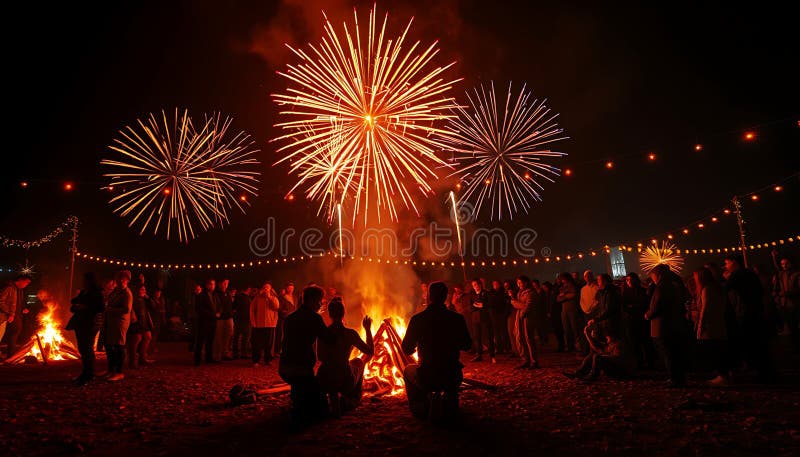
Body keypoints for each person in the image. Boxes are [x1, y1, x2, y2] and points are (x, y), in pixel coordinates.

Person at [402, 281, 472, 421]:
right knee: (449, 382)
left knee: (408, 370)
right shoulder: (456, 318)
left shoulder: (418, 319)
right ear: (446, 297)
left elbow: (406, 348)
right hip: (452, 374)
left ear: (428, 296)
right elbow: (467, 345)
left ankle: (420, 406)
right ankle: (450, 399)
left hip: (428, 374)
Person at [279, 285, 329, 426]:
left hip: (284, 367)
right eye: (319, 301)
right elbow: (328, 338)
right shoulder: (314, 318)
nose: (320, 304)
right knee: (320, 405)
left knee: (301, 389)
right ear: (312, 301)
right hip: (301, 369)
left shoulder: (290, 318)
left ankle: (298, 405)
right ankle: (299, 417)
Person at [317, 297, 374, 416]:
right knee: (359, 362)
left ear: (330, 314)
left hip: (324, 379)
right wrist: (368, 330)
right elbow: (370, 351)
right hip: (344, 380)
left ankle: (333, 398)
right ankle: (353, 399)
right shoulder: (350, 334)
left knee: (337, 367)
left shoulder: (323, 333)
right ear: (344, 314)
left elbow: (320, 357)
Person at [724, 254, 775, 383]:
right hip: (757, 311)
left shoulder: (736, 275)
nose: (726, 266)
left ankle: (759, 372)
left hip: (746, 312)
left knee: (749, 342)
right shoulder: (750, 274)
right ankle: (765, 371)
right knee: (759, 343)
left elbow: (724, 289)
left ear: (734, 263)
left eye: (727, 263)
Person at [645, 264, 690, 388]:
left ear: (658, 275)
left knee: (668, 354)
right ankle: (678, 377)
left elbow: (657, 306)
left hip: (662, 326)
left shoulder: (662, 287)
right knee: (673, 353)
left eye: (653, 276)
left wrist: (648, 314)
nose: (652, 279)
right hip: (672, 325)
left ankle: (675, 379)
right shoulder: (673, 285)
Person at [694, 267, 730, 385]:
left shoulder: (707, 289)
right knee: (718, 347)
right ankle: (724, 373)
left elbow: (705, 308)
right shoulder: (716, 288)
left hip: (710, 324)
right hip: (718, 322)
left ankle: (722, 374)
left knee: (714, 348)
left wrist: (700, 325)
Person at [67, 273, 105, 385]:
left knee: (87, 348)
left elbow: (100, 308)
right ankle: (85, 373)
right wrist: (78, 304)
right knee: (82, 348)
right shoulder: (85, 291)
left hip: (91, 323)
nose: (83, 282)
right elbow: (73, 302)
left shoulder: (97, 292)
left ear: (90, 280)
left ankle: (89, 374)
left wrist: (84, 306)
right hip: (80, 323)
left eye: (85, 280)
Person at [564, 322, 635, 381]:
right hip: (618, 368)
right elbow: (596, 348)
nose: (606, 338)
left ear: (613, 336)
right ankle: (578, 373)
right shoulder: (611, 343)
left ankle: (592, 376)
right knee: (593, 355)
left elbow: (618, 360)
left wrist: (604, 356)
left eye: (607, 336)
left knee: (597, 357)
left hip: (623, 372)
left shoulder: (619, 344)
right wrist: (588, 335)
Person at [622, 273, 655, 369]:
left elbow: (644, 305)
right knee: (634, 343)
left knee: (646, 342)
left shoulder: (643, 291)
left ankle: (650, 362)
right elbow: (624, 307)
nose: (629, 282)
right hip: (631, 322)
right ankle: (638, 362)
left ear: (636, 280)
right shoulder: (625, 293)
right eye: (627, 280)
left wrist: (633, 306)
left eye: (631, 280)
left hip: (642, 321)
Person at [105, 271, 133, 382]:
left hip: (120, 323)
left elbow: (127, 309)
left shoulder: (127, 293)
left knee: (118, 346)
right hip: (111, 322)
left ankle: (119, 372)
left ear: (126, 280)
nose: (120, 281)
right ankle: (111, 370)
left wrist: (111, 310)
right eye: (118, 278)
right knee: (110, 346)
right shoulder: (116, 291)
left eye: (122, 279)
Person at [0, 274, 32, 358]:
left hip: (15, 316)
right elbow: (1, 301)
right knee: (7, 334)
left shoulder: (19, 290)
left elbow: (18, 303)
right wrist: (10, 313)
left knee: (14, 333)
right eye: (26, 282)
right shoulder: (9, 288)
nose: (27, 285)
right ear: (21, 280)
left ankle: (11, 354)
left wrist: (23, 308)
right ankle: (10, 354)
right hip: (4, 316)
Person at [773, 256, 800, 352]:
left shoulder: (797, 274)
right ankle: (795, 346)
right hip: (785, 305)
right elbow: (777, 287)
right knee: (791, 326)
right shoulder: (781, 275)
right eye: (782, 264)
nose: (784, 266)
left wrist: (787, 293)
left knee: (796, 325)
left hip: (796, 304)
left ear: (791, 263)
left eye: (786, 263)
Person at [251, 282, 280, 366]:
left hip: (270, 324)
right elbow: (252, 310)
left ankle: (268, 360)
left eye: (267, 287)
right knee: (257, 344)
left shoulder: (274, 298)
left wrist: (269, 297)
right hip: (258, 325)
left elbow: (276, 307)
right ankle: (256, 360)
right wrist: (253, 322)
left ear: (270, 289)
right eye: (264, 287)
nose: (266, 289)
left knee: (269, 344)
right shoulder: (257, 298)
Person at [588, 274, 622, 339]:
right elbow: (599, 307)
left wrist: (596, 319)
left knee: (614, 343)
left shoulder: (611, 292)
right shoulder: (601, 292)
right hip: (605, 322)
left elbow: (608, 309)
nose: (597, 281)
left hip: (612, 323)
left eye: (599, 280)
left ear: (605, 281)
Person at [127, 285, 154, 369]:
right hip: (136, 323)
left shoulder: (144, 299)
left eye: (145, 289)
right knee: (135, 342)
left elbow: (154, 306)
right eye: (142, 289)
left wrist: (148, 298)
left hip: (144, 323)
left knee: (148, 337)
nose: (144, 291)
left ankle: (142, 358)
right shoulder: (133, 298)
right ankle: (132, 363)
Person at [469, 278, 495, 363]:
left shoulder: (486, 293)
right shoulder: (472, 294)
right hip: (475, 319)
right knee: (477, 337)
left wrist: (483, 305)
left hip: (485, 318)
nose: (475, 287)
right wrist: (475, 306)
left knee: (488, 337)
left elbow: (491, 304)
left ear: (480, 284)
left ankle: (492, 355)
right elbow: (470, 306)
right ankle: (479, 355)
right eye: (473, 285)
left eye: (476, 284)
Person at [194, 279, 219, 365]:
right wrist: (212, 314)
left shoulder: (214, 295)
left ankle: (209, 358)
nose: (213, 286)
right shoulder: (202, 295)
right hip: (204, 322)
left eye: (214, 284)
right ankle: (197, 359)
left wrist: (219, 312)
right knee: (200, 340)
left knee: (210, 340)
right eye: (211, 284)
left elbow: (218, 306)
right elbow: (199, 309)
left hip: (212, 322)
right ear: (207, 285)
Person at [556, 273, 582, 353]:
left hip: (572, 309)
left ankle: (578, 346)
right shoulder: (562, 287)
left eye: (562, 278)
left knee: (575, 328)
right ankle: (570, 346)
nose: (562, 280)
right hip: (564, 310)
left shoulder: (572, 285)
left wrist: (564, 296)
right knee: (566, 328)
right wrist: (566, 296)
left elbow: (574, 295)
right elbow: (558, 299)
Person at [488, 280, 511, 354]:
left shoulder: (503, 292)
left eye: (496, 284)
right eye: (493, 284)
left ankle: (506, 348)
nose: (495, 285)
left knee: (503, 332)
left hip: (501, 314)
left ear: (500, 285)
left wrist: (505, 313)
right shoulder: (490, 293)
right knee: (496, 332)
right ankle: (499, 348)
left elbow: (506, 304)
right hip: (493, 315)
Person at [214, 279, 234, 361]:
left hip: (229, 317)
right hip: (220, 318)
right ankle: (217, 355)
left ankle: (225, 352)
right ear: (220, 284)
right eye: (224, 283)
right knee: (218, 336)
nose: (225, 285)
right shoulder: (216, 294)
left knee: (228, 335)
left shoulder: (228, 293)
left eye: (227, 283)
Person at [542, 281, 565, 352]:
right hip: (552, 314)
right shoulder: (547, 294)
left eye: (544, 287)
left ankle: (561, 346)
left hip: (555, 314)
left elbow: (552, 304)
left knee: (558, 330)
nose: (544, 289)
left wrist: (550, 312)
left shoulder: (552, 293)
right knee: (556, 330)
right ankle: (560, 345)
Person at [276, 282, 296, 356]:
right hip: (284, 319)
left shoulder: (294, 297)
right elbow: (279, 308)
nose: (291, 290)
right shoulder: (282, 297)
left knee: (290, 335)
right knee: (281, 334)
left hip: (292, 319)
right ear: (286, 288)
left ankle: (288, 349)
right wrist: (284, 312)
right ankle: (278, 350)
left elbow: (295, 307)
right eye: (289, 288)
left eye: (292, 288)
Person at [232, 286, 253, 359]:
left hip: (238, 319)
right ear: (248, 289)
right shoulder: (248, 299)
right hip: (246, 320)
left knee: (236, 337)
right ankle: (243, 353)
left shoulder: (237, 297)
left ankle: (235, 353)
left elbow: (233, 307)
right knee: (245, 338)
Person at [186, 284, 202, 352]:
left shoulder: (202, 297)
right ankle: (192, 346)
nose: (197, 290)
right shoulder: (192, 297)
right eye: (196, 289)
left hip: (199, 317)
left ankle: (196, 346)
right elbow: (191, 306)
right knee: (193, 332)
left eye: (199, 289)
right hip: (193, 317)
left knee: (198, 333)